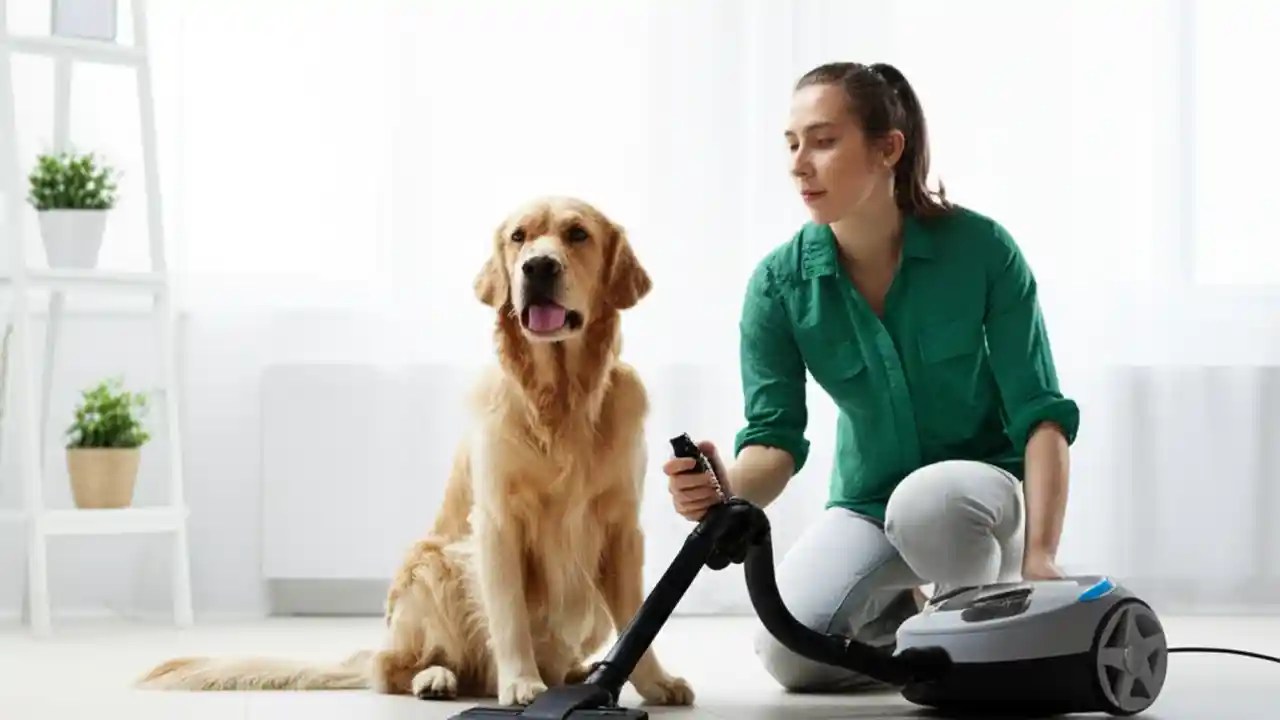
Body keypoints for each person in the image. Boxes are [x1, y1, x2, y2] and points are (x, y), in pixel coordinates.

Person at [663, 61, 1080, 693]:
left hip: (978, 493)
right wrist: (724, 489)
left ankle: (977, 633)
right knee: (792, 654)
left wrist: (1041, 556)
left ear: (888, 149)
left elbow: (1041, 413)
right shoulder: (779, 285)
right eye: (793, 143)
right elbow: (774, 439)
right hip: (868, 504)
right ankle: (913, 626)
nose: (800, 163)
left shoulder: (983, 249)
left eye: (824, 141)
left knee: (932, 503)